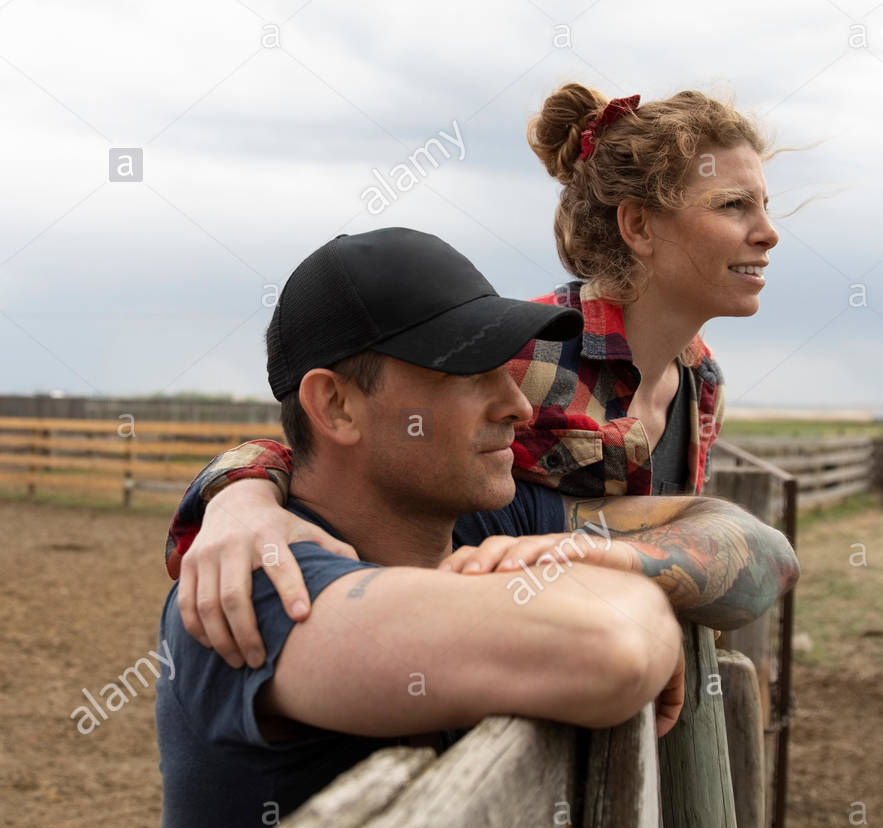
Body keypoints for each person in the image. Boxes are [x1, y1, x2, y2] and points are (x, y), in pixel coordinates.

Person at [156, 227, 799, 828]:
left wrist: (632, 560)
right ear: (337, 406)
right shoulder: (254, 583)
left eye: (510, 370)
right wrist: (636, 601)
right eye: (469, 372)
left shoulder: (484, 522)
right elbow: (611, 646)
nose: (518, 404)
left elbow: (764, 551)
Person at [162, 84, 781, 668]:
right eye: (733, 205)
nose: (769, 232)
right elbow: (330, 438)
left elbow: (687, 529)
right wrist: (237, 498)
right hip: (480, 648)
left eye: (764, 204)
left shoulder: (703, 379)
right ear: (639, 225)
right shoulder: (529, 356)